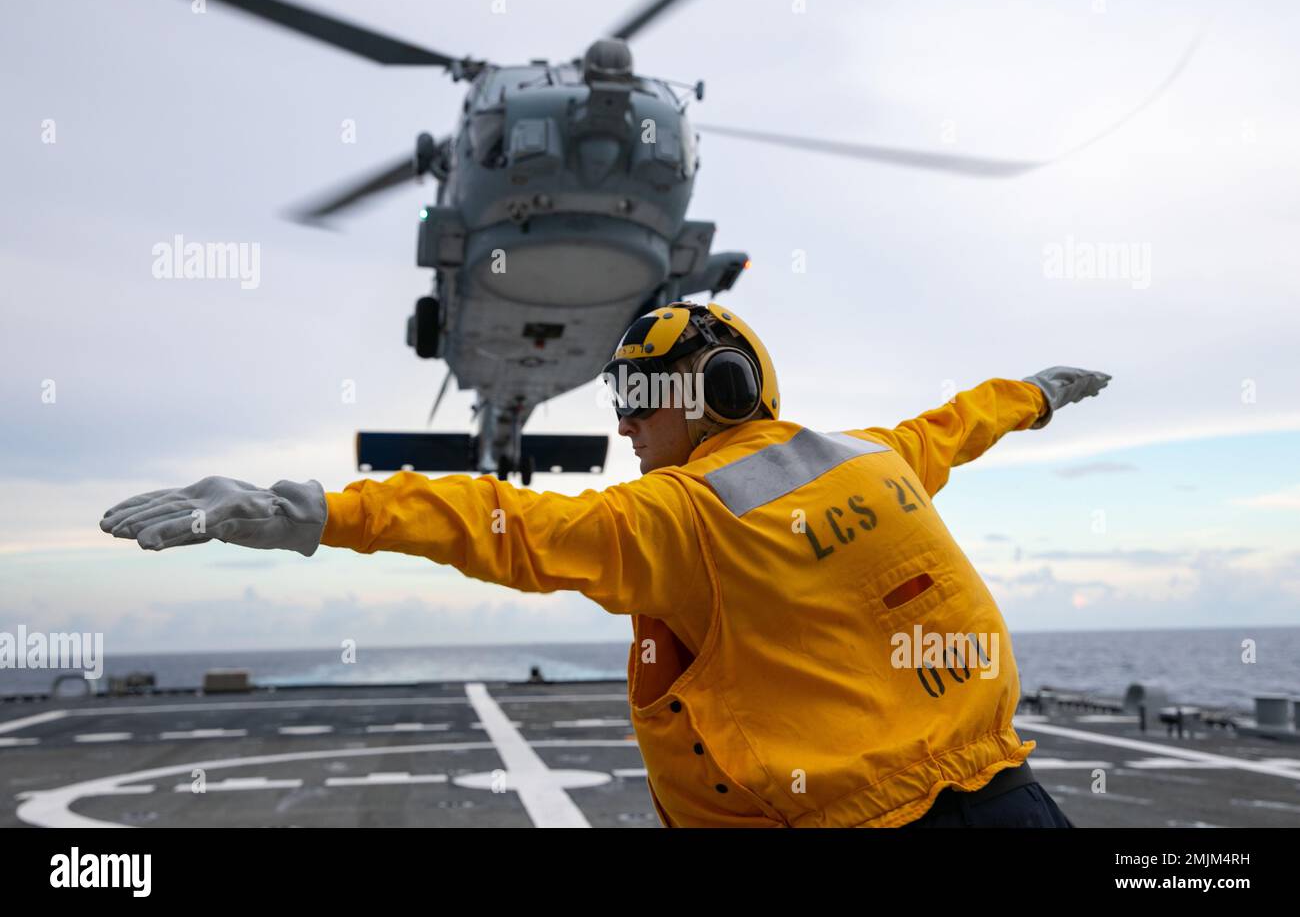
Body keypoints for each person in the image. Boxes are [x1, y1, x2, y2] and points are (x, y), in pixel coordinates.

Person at [100, 300, 1109, 828]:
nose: (622, 418)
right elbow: (959, 423)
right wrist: (1036, 391)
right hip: (1012, 793)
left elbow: (496, 520)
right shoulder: (874, 454)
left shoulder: (681, 513)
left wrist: (308, 513)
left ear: (716, 384)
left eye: (639, 392)